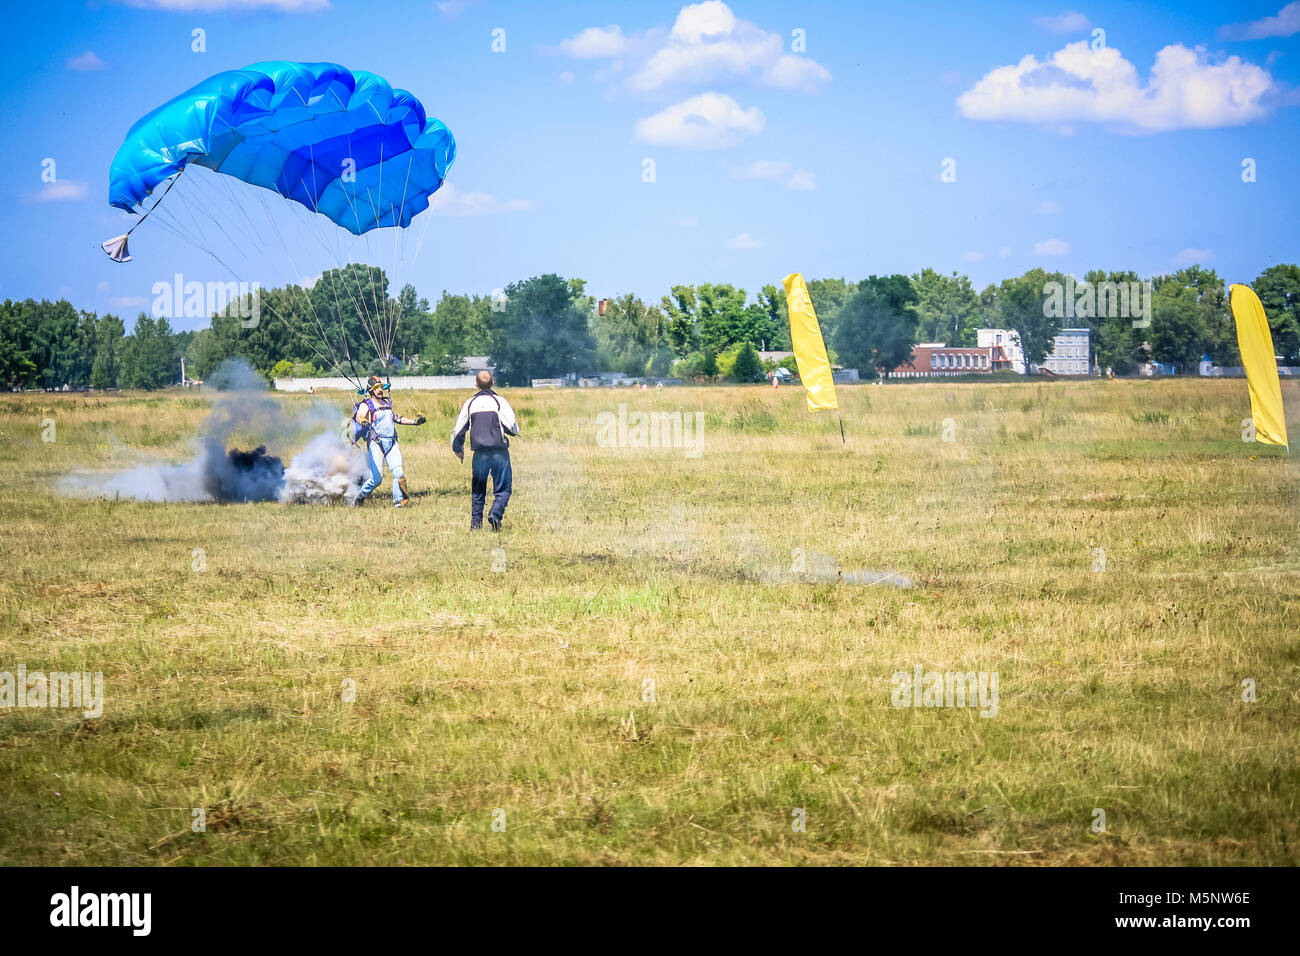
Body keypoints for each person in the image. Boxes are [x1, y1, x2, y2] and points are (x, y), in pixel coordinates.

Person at [450, 370, 518, 530]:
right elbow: (512, 427)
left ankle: (476, 524)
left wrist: (457, 449)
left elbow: (458, 430)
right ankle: (495, 513)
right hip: (499, 452)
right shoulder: (499, 401)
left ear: (476, 384)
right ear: (493, 382)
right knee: (503, 488)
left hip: (479, 454)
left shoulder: (470, 403)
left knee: (478, 489)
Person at [355, 375, 425, 507]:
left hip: (392, 443)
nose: (380, 390)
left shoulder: (386, 404)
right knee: (377, 479)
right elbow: (360, 415)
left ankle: (398, 502)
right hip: (377, 443)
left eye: (381, 387)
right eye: (376, 388)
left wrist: (415, 422)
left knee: (398, 473)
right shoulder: (367, 404)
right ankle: (361, 495)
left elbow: (397, 418)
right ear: (371, 390)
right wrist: (363, 421)